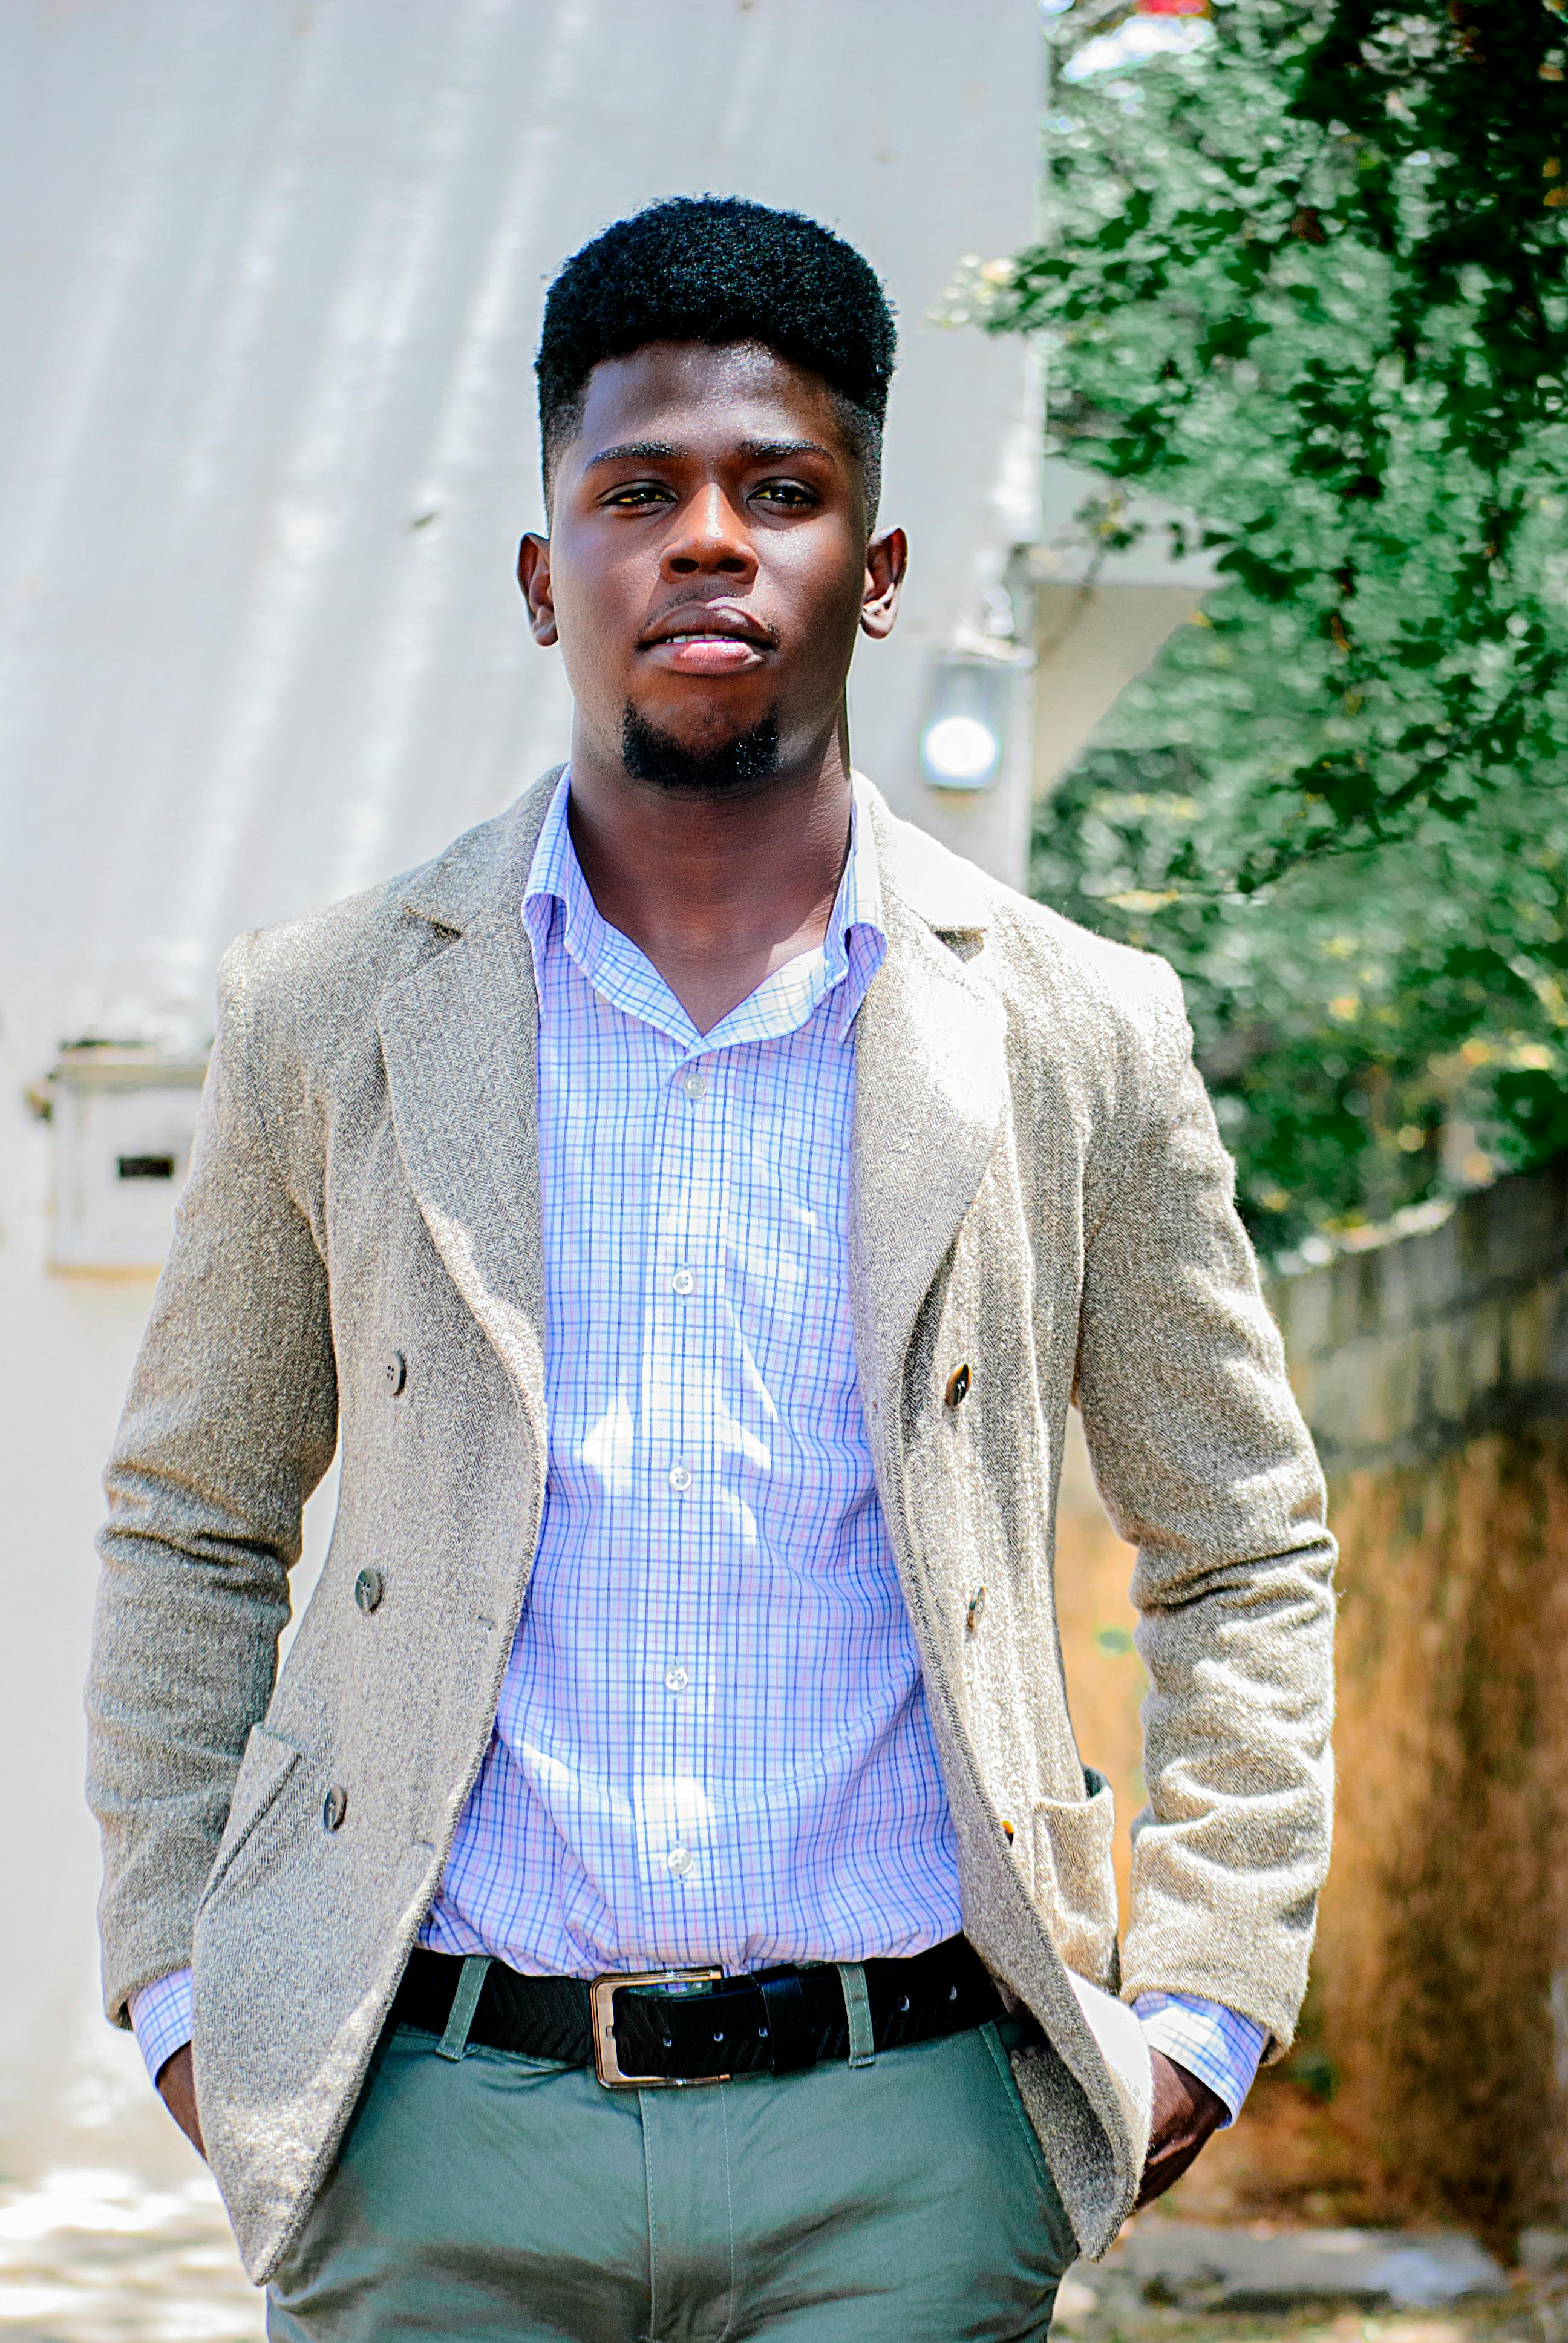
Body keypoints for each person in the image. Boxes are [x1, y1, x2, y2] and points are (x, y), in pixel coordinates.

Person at [87, 197, 1334, 2342]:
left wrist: (1204, 2009)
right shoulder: (332, 1012)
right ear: (540, 570)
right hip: (433, 2132)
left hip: (911, 2144)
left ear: (877, 564)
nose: (707, 543)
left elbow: (1238, 1542)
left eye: (782, 490)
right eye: (635, 492)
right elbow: (190, 1515)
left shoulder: (1071, 1026)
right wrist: (192, 1993)